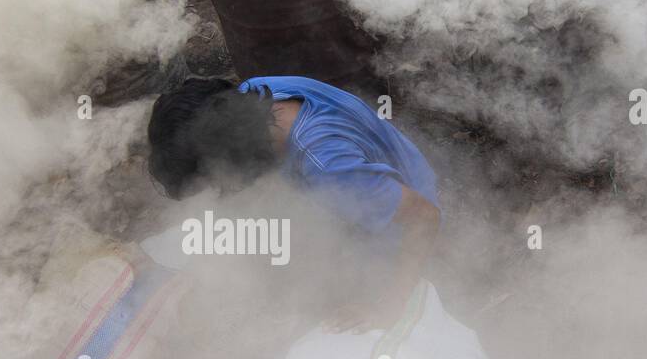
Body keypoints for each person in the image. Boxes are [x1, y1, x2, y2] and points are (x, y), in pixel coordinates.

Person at [146, 75, 441, 331]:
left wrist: (390, 306)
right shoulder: (253, 93)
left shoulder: (328, 166)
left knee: (324, 303)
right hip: (370, 174)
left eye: (218, 179)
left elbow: (424, 217)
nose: (221, 186)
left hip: (400, 220)